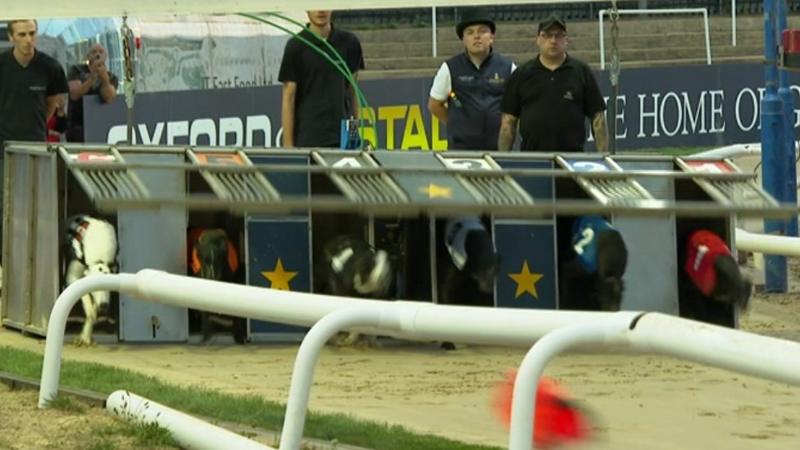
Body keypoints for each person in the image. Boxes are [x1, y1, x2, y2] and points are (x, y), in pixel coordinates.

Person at [498, 15, 607, 152]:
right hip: (533, 160)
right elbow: (508, 121)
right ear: (537, 39)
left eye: (558, 35)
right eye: (547, 35)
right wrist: (503, 159)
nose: (553, 40)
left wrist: (604, 157)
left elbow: (598, 118)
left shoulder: (581, 71)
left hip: (572, 160)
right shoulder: (522, 74)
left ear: (566, 40)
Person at [427, 8, 515, 150]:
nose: (476, 36)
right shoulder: (450, 68)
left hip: (499, 149)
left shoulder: (508, 67)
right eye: (470, 32)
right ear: (463, 39)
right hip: (461, 151)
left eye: (482, 31)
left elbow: (516, 108)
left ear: (492, 37)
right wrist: (458, 126)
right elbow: (434, 105)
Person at [279, 10, 364, 148]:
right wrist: (289, 147)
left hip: (341, 140)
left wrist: (353, 136)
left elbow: (353, 93)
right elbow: (288, 99)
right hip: (308, 141)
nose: (320, 10)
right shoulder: (295, 46)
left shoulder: (349, 43)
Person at [0, 19, 69, 149]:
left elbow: (51, 105)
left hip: (36, 141)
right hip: (3, 144)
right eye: (22, 34)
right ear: (11, 37)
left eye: (32, 33)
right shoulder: (2, 65)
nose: (28, 39)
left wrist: (36, 125)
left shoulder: (50, 67)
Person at [66, 44, 118, 142]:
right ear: (88, 56)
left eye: (100, 52)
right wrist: (93, 77)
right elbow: (75, 94)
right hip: (78, 127)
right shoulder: (76, 70)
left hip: (100, 126)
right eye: (94, 52)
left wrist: (104, 79)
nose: (97, 55)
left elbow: (109, 98)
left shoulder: (112, 77)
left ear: (105, 56)